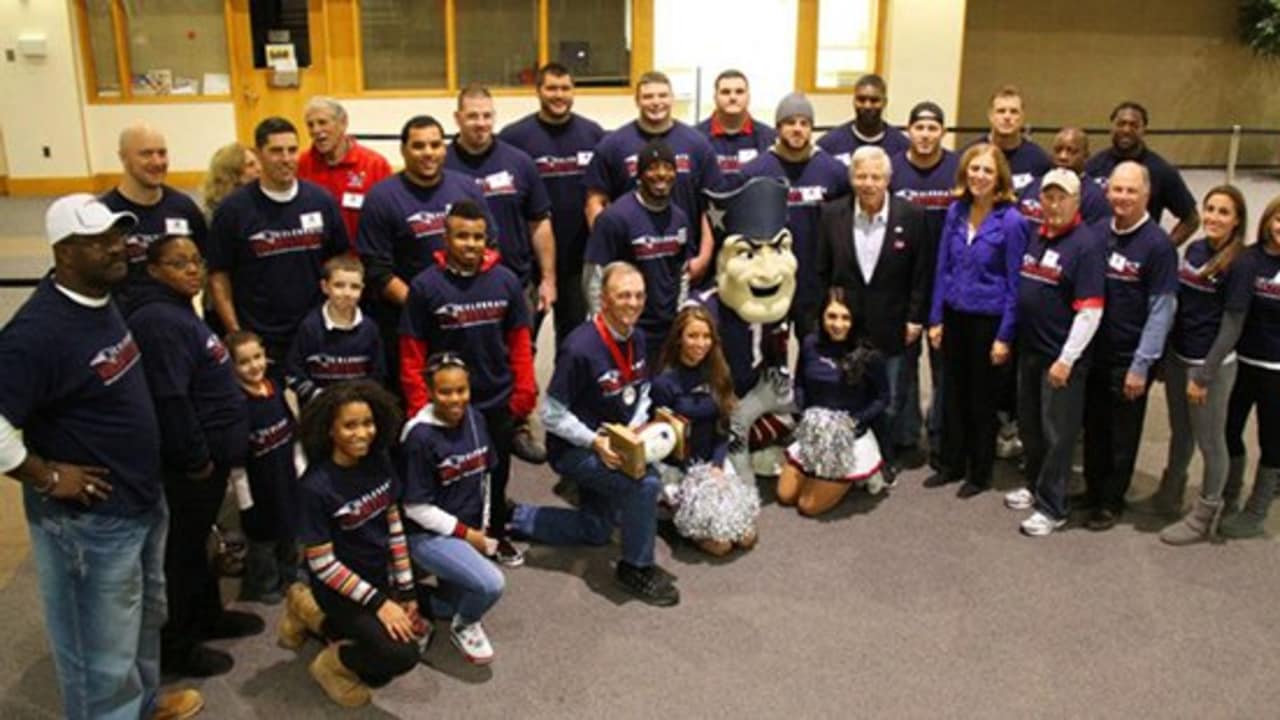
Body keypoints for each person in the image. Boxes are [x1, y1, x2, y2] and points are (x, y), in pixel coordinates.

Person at [0, 194, 201, 719]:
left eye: (118, 236)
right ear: (64, 253)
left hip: (138, 498)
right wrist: (44, 476)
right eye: (100, 242)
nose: (119, 249)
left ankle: (143, 704)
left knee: (140, 619)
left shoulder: (100, 299)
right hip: (88, 523)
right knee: (97, 651)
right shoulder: (36, 333)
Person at [127, 234, 260, 676]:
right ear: (153, 270)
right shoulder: (159, 321)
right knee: (180, 557)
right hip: (189, 467)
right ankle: (177, 647)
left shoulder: (182, 311)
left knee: (199, 544)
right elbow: (170, 398)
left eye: (196, 261)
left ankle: (208, 617)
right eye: (178, 263)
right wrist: (195, 457)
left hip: (208, 461)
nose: (192, 270)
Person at [509, 262, 680, 606]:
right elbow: (551, 414)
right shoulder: (580, 347)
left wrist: (637, 427)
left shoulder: (639, 337)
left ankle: (513, 516)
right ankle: (636, 567)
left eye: (638, 295)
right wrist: (595, 442)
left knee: (597, 530)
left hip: (618, 440)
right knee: (643, 484)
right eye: (623, 296)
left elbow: (642, 391)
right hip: (575, 449)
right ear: (603, 300)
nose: (633, 303)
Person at [400, 201, 536, 567]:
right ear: (446, 238)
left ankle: (495, 534)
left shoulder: (506, 280)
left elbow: (520, 342)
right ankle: (454, 545)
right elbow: (412, 352)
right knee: (450, 480)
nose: (471, 244)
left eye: (478, 237)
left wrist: (525, 390)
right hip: (448, 406)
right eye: (462, 236)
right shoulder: (425, 286)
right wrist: (418, 406)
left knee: (495, 472)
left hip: (496, 400)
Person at [296, 380, 421, 707]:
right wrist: (382, 604)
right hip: (338, 588)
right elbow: (323, 565)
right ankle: (331, 666)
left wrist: (406, 590)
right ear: (330, 431)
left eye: (367, 423)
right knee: (402, 655)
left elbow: (393, 525)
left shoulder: (379, 459)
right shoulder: (315, 487)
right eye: (350, 426)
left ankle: (306, 612)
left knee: (413, 630)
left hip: (379, 576)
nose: (362, 433)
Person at [1000, 169, 1106, 536]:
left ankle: (1053, 506)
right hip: (1030, 351)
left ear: (1077, 202)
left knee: (1058, 435)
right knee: (1031, 428)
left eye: (1062, 197)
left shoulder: (1086, 245)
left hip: (1060, 360)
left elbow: (1090, 310)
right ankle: (1034, 486)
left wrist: (1067, 358)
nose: (1054, 204)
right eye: (1049, 196)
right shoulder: (1037, 235)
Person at [356, 115, 491, 395]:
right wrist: (423, 306)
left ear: (445, 148)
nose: (428, 153)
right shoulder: (381, 198)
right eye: (418, 146)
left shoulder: (467, 189)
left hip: (467, 315)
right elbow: (377, 269)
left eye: (435, 145)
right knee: (415, 395)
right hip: (409, 321)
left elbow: (489, 246)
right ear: (403, 150)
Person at [925, 144, 1030, 498]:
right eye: (973, 169)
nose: (979, 176)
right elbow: (941, 266)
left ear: (999, 176)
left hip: (989, 320)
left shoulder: (1012, 221)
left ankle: (979, 471)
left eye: (986, 170)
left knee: (981, 400)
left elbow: (1016, 283)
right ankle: (950, 464)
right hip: (954, 315)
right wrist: (935, 317)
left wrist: (1005, 335)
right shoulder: (956, 211)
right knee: (952, 393)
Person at [207, 116, 349, 377]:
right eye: (276, 151)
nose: (286, 158)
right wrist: (237, 334)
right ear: (259, 154)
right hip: (262, 337)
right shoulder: (233, 210)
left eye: (292, 150)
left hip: (315, 329)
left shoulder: (321, 201)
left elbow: (339, 262)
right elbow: (219, 276)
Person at [1148, 186, 1251, 545]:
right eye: (1209, 209)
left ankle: (1204, 514)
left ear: (1237, 220)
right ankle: (1169, 494)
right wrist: (1165, 355)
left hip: (1210, 366)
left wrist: (1205, 374)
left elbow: (1233, 325)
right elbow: (1181, 306)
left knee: (1211, 441)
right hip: (1179, 356)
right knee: (1181, 432)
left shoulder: (1240, 263)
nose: (1213, 218)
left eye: (1224, 212)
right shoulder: (1193, 249)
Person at [816, 145, 928, 472]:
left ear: (888, 180)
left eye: (875, 176)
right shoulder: (831, 214)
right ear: (851, 179)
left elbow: (921, 273)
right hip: (844, 324)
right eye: (861, 176)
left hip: (892, 324)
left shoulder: (912, 216)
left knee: (889, 399)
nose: (868, 183)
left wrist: (915, 318)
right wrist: (826, 314)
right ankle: (848, 458)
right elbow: (822, 270)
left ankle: (884, 458)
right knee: (848, 393)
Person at [1079, 162, 1178, 531]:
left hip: (1130, 357)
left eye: (1131, 191)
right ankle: (1091, 490)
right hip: (1095, 353)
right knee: (1094, 425)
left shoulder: (1158, 245)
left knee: (1122, 433)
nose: (1122, 197)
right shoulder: (1098, 231)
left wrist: (1142, 364)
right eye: (1117, 189)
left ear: (1146, 196)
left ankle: (1110, 501)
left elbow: (1161, 310)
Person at [400, 354, 506, 664]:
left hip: (468, 527)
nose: (455, 399)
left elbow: (484, 476)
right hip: (427, 534)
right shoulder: (418, 436)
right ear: (430, 392)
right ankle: (465, 626)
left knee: (456, 600)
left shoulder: (476, 419)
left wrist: (482, 524)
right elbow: (415, 507)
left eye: (461, 390)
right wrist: (467, 535)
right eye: (445, 392)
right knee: (490, 585)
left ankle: (404, 595)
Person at [498, 62, 606, 353]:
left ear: (574, 91)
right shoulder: (513, 138)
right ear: (538, 92)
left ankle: (563, 398)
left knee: (572, 340)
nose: (559, 95)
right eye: (551, 88)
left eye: (565, 88)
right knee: (521, 339)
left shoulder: (594, 135)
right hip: (527, 261)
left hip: (577, 258)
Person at [585, 71, 722, 285]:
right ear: (637, 100)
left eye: (662, 95)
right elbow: (596, 201)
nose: (656, 102)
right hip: (630, 262)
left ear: (672, 99)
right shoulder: (613, 145)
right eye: (648, 97)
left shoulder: (697, 144)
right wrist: (607, 249)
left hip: (681, 258)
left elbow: (710, 206)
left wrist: (703, 257)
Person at [651, 305, 759, 556]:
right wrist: (696, 477)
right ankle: (674, 516)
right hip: (679, 469)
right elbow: (662, 442)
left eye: (706, 336)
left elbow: (723, 427)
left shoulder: (718, 373)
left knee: (746, 537)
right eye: (692, 336)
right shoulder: (664, 383)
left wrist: (717, 465)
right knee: (721, 546)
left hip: (713, 462)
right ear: (679, 339)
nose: (700, 343)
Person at [741, 91, 851, 336]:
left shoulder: (834, 172)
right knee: (770, 357)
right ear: (778, 127)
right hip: (770, 279)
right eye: (790, 123)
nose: (797, 129)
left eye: (804, 123)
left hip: (814, 280)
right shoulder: (755, 171)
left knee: (813, 352)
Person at [447, 84, 556, 327]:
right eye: (472, 116)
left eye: (487, 115)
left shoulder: (520, 162)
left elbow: (539, 224)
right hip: (459, 289)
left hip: (517, 284)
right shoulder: (442, 165)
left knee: (521, 358)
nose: (481, 123)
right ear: (458, 118)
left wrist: (548, 279)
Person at [890, 101, 959, 469]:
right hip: (904, 284)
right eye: (920, 127)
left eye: (934, 128)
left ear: (942, 133)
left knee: (945, 366)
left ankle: (940, 436)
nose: (926, 135)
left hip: (949, 282)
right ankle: (905, 435)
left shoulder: (956, 168)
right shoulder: (895, 170)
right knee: (904, 364)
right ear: (909, 131)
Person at [779, 288, 890, 516]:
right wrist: (805, 413)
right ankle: (821, 476)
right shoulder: (810, 344)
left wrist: (850, 422)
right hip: (813, 435)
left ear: (855, 319)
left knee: (807, 506)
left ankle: (858, 475)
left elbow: (882, 398)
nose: (837, 324)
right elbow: (800, 382)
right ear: (822, 316)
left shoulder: (869, 355)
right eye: (832, 316)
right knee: (785, 495)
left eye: (845, 317)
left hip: (847, 441)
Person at [585, 140, 692, 365]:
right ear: (639, 174)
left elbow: (682, 272)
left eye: (668, 167)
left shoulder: (680, 218)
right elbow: (595, 274)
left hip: (666, 328)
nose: (661, 174)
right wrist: (604, 327)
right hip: (627, 326)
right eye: (652, 168)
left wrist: (680, 316)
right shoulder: (614, 218)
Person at [226, 331, 301, 605]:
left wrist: (299, 470)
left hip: (286, 477)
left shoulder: (275, 390)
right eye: (244, 362)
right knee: (262, 541)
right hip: (258, 487)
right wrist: (245, 502)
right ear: (232, 367)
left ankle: (290, 575)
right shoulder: (237, 404)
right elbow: (237, 462)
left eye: (257, 357)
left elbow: (293, 435)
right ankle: (264, 583)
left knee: (290, 531)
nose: (254, 366)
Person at [1220, 196, 1280, 537]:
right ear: (1269, 220)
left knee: (1271, 440)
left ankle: (1257, 509)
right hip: (1242, 361)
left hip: (1277, 370)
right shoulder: (1250, 259)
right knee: (1229, 430)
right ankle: (1230, 494)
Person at [100, 122, 209, 311]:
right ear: (123, 157)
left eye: (162, 153)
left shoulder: (183, 207)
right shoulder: (104, 214)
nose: (157, 162)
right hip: (126, 322)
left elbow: (206, 261)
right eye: (146, 154)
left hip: (178, 320)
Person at [1084, 101, 1200, 245]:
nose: (1126, 130)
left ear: (1143, 130)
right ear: (1112, 128)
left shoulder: (1161, 171)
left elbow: (1192, 219)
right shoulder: (1094, 165)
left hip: (1136, 261)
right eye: (1121, 123)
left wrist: (1164, 249)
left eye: (1134, 125)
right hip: (1099, 252)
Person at [285, 255, 386, 405]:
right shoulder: (310, 327)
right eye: (339, 285)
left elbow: (378, 375)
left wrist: (361, 400)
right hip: (319, 410)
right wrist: (320, 398)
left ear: (362, 289)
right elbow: (293, 373)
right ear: (325, 287)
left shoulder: (369, 329)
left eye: (354, 287)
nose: (347, 293)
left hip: (358, 408)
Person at [298, 96, 393, 243]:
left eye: (322, 122)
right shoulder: (301, 164)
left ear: (343, 123)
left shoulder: (375, 164)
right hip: (318, 259)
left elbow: (389, 217)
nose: (316, 130)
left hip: (363, 260)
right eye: (310, 125)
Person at [966, 85, 1051, 194]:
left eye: (1014, 112)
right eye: (1001, 111)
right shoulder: (971, 155)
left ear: (1022, 117)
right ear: (991, 116)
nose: (1007, 117)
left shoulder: (1039, 160)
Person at [1017, 127, 1110, 226]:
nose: (1063, 156)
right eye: (1058, 150)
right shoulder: (1033, 186)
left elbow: (1094, 238)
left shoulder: (1094, 197)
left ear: (1086, 155)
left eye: (1071, 151)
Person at [695, 69, 777, 176]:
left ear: (748, 97)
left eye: (739, 92)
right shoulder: (695, 138)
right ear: (715, 98)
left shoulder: (770, 139)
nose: (733, 97)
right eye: (725, 92)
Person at [816, 73, 909, 165]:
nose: (867, 106)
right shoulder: (828, 145)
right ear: (854, 101)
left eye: (874, 100)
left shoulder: (902, 147)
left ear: (885, 103)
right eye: (861, 99)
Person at [201, 141, 260, 219]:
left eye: (259, 163)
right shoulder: (220, 212)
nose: (259, 168)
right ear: (232, 173)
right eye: (250, 165)